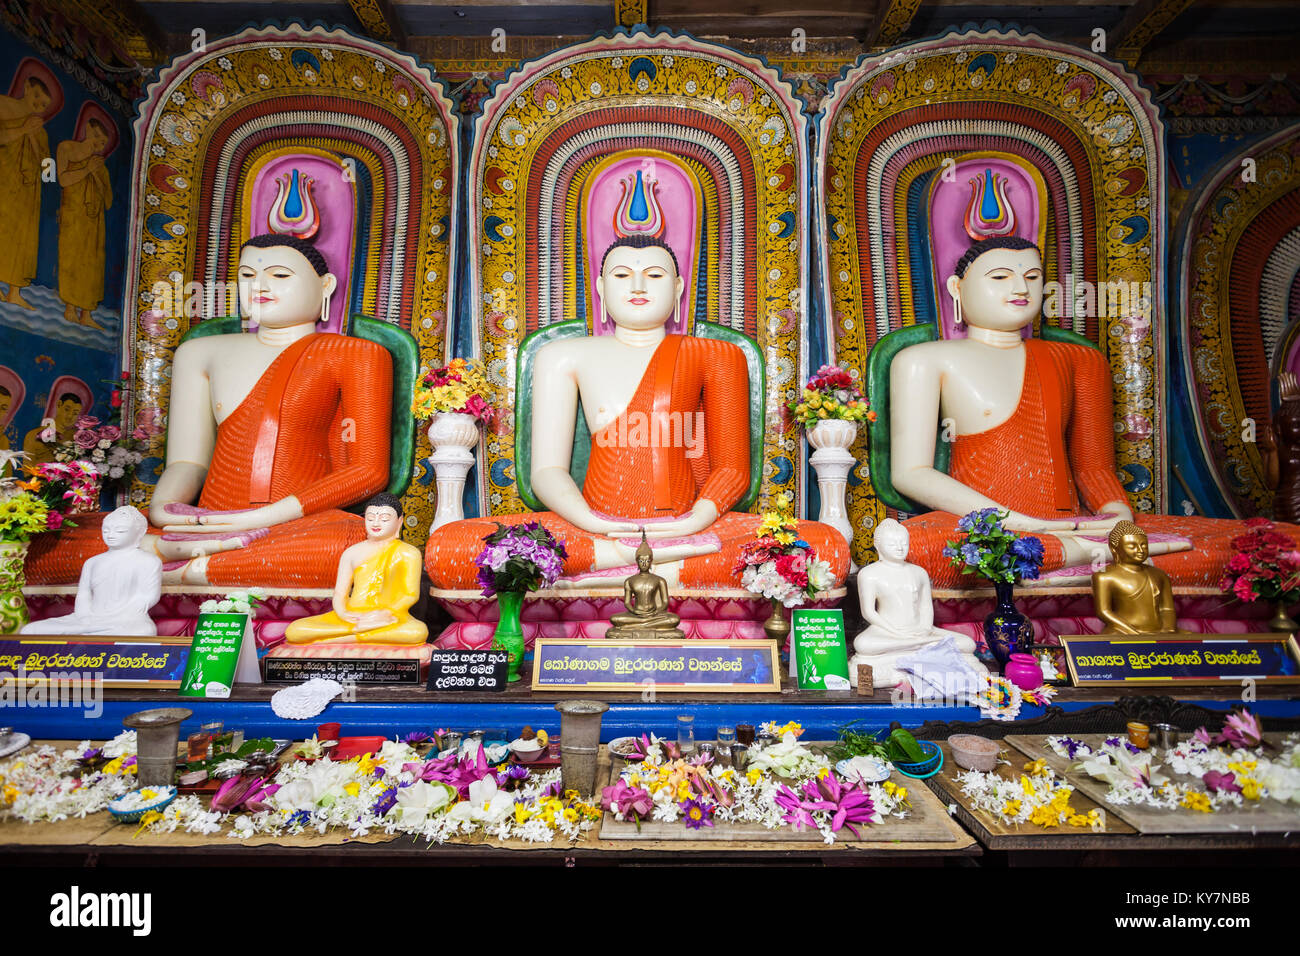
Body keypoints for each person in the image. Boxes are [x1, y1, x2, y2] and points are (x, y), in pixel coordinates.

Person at [425, 235, 849, 590]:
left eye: (655, 274)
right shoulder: (564, 355)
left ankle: (609, 572)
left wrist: (690, 525)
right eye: (623, 275)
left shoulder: (717, 355)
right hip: (592, 526)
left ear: (679, 288)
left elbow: (732, 470)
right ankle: (649, 564)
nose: (638, 285)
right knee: (447, 549)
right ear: (601, 287)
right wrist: (594, 522)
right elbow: (547, 472)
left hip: (691, 527)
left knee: (826, 547)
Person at [888, 236, 1281, 587]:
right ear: (958, 287)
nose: (1020, 288)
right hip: (984, 525)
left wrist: (1116, 515)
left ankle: (1070, 551)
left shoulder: (1079, 360)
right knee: (916, 548)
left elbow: (1094, 467)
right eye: (1001, 277)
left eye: (1033, 277)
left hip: (1074, 524)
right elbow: (911, 473)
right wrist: (1012, 521)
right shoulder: (923, 360)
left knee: (1271, 544)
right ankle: (1072, 551)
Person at [24, 233, 393, 588]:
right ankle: (194, 560)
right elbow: (188, 462)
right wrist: (164, 508)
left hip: (292, 525)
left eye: (279, 275)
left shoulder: (356, 354)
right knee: (52, 543)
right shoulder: (201, 352)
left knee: (343, 548)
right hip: (203, 520)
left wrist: (259, 518)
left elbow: (368, 470)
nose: (259, 286)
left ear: (325, 286)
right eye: (247, 276)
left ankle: (164, 563)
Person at [850, 519, 988, 687]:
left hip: (921, 631)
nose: (900, 548)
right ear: (877, 546)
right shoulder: (869, 574)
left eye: (903, 543)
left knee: (967, 644)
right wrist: (897, 633)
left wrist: (924, 629)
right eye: (892, 544)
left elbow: (925, 607)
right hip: (886, 632)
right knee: (863, 645)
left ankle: (918, 651)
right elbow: (869, 612)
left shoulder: (918, 572)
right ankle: (926, 652)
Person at [284, 493, 427, 645]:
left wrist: (385, 613)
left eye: (384, 519)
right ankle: (359, 635)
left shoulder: (409, 553)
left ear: (399, 522)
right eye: (370, 518)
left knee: (417, 632)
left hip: (389, 617)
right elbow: (340, 594)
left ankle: (341, 639)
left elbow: (410, 595)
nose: (376, 523)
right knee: (295, 630)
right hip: (353, 616)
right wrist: (343, 613)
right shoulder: (351, 552)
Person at [21, 506, 161, 636]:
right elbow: (84, 594)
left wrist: (118, 617)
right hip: (90, 617)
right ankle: (90, 631)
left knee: (144, 631)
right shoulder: (93, 562)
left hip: (126, 619)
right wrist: (85, 617)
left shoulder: (148, 561)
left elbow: (147, 596)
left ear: (140, 532)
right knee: (30, 630)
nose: (110, 535)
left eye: (120, 531)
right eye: (106, 530)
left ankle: (90, 632)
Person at [0, 75, 52, 309]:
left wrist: (33, 137)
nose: (38, 107)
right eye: (37, 98)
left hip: (28, 193)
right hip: (5, 183)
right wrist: (22, 128)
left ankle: (14, 292)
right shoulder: (4, 105)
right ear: (27, 87)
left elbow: (48, 173)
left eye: (43, 106)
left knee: (23, 241)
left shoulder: (41, 132)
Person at [57, 118, 112, 328]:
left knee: (93, 268)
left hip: (94, 226)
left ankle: (86, 313)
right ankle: (70, 308)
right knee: (71, 259)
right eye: (96, 139)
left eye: (101, 145)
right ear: (87, 130)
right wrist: (87, 169)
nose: (97, 146)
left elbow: (108, 202)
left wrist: (97, 174)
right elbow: (58, 179)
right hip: (73, 218)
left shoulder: (102, 169)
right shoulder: (67, 149)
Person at [1092, 521, 1184, 634]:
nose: (1140, 550)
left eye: (1144, 545)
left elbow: (1167, 609)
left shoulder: (1159, 574)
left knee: (1199, 642)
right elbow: (1104, 612)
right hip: (1123, 632)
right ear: (1114, 549)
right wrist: (1133, 633)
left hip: (1159, 632)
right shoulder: (1104, 576)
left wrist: (1168, 629)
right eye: (1132, 546)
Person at [607, 531, 684, 637]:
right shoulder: (629, 581)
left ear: (651, 561)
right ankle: (644, 625)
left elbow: (665, 602)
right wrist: (634, 611)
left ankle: (634, 627)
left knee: (674, 619)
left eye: (647, 561)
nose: (644, 564)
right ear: (637, 561)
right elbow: (627, 603)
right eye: (641, 561)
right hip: (636, 615)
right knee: (615, 619)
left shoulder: (659, 580)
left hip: (654, 615)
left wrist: (655, 612)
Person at [22, 392, 81, 466]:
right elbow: (27, 468)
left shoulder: (76, 438)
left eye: (75, 413)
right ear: (59, 405)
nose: (70, 416)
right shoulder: (34, 435)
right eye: (67, 409)